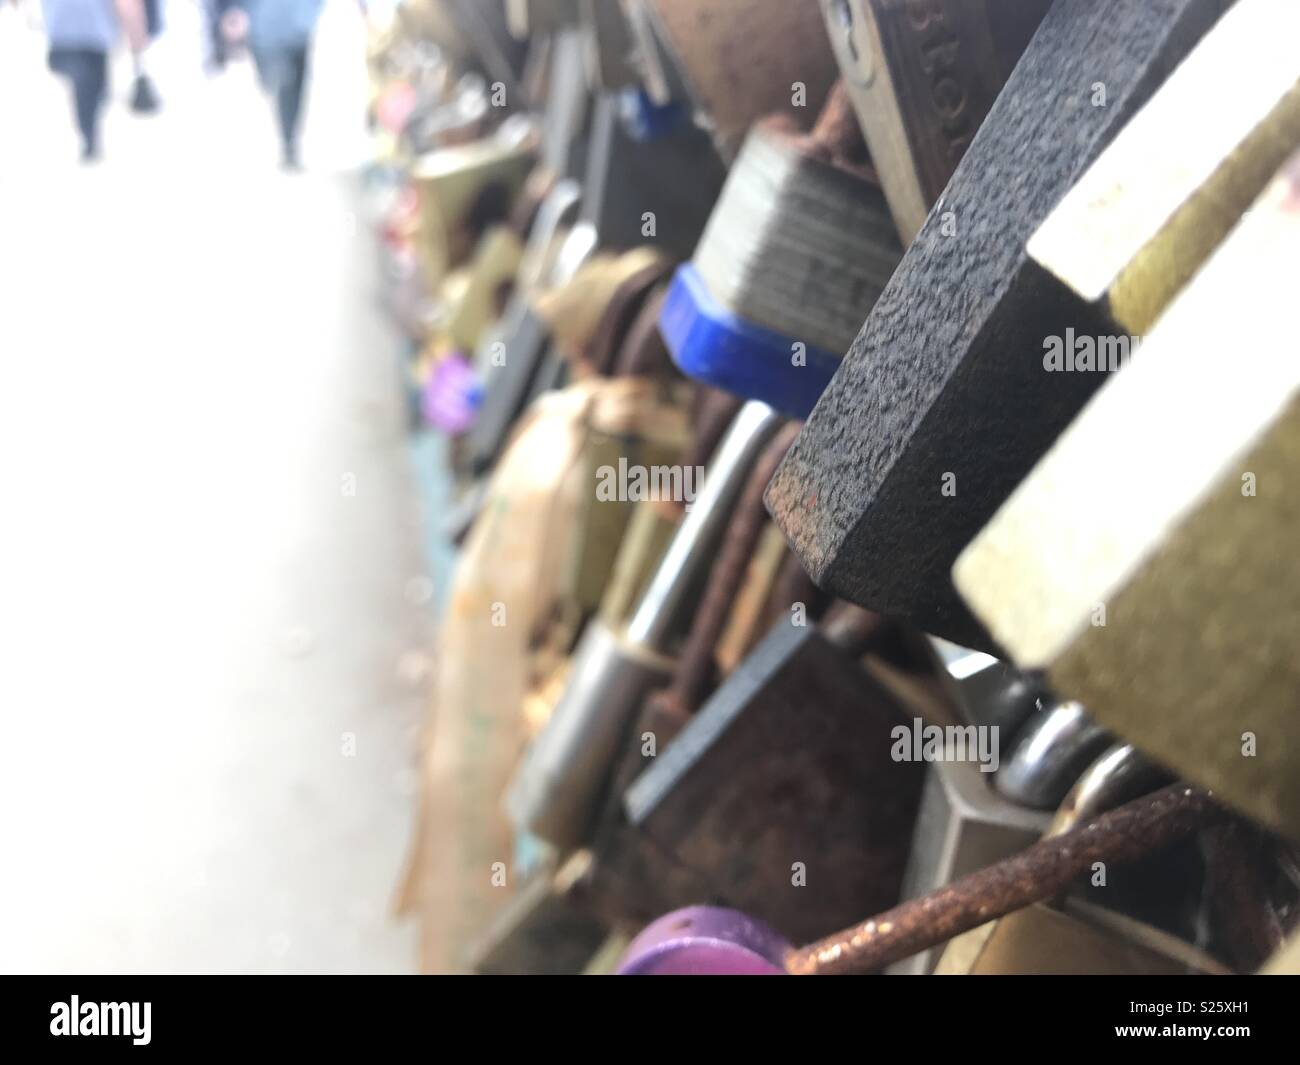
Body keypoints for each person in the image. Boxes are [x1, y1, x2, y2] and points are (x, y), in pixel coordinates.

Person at [42, 0, 146, 161]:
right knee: (90, 89)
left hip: (65, 38)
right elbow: (126, 5)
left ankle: (88, 134)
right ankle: (89, 135)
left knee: (90, 89)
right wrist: (135, 34)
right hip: (91, 40)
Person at [230, 0, 324, 170]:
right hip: (264, 29)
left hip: (297, 30)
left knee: (291, 87)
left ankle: (288, 141)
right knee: (274, 84)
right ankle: (284, 139)